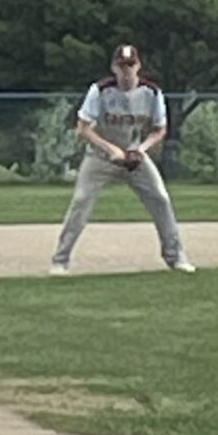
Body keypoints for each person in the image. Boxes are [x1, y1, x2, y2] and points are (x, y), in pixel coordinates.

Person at [50, 43, 196, 276]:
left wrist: (142, 149)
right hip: (100, 156)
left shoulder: (151, 93)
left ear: (138, 66)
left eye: (130, 65)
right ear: (113, 68)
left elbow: (160, 129)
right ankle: (60, 261)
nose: (126, 71)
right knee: (81, 201)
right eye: (121, 66)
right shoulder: (100, 90)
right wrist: (110, 149)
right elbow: (83, 128)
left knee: (161, 197)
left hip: (133, 155)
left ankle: (176, 257)